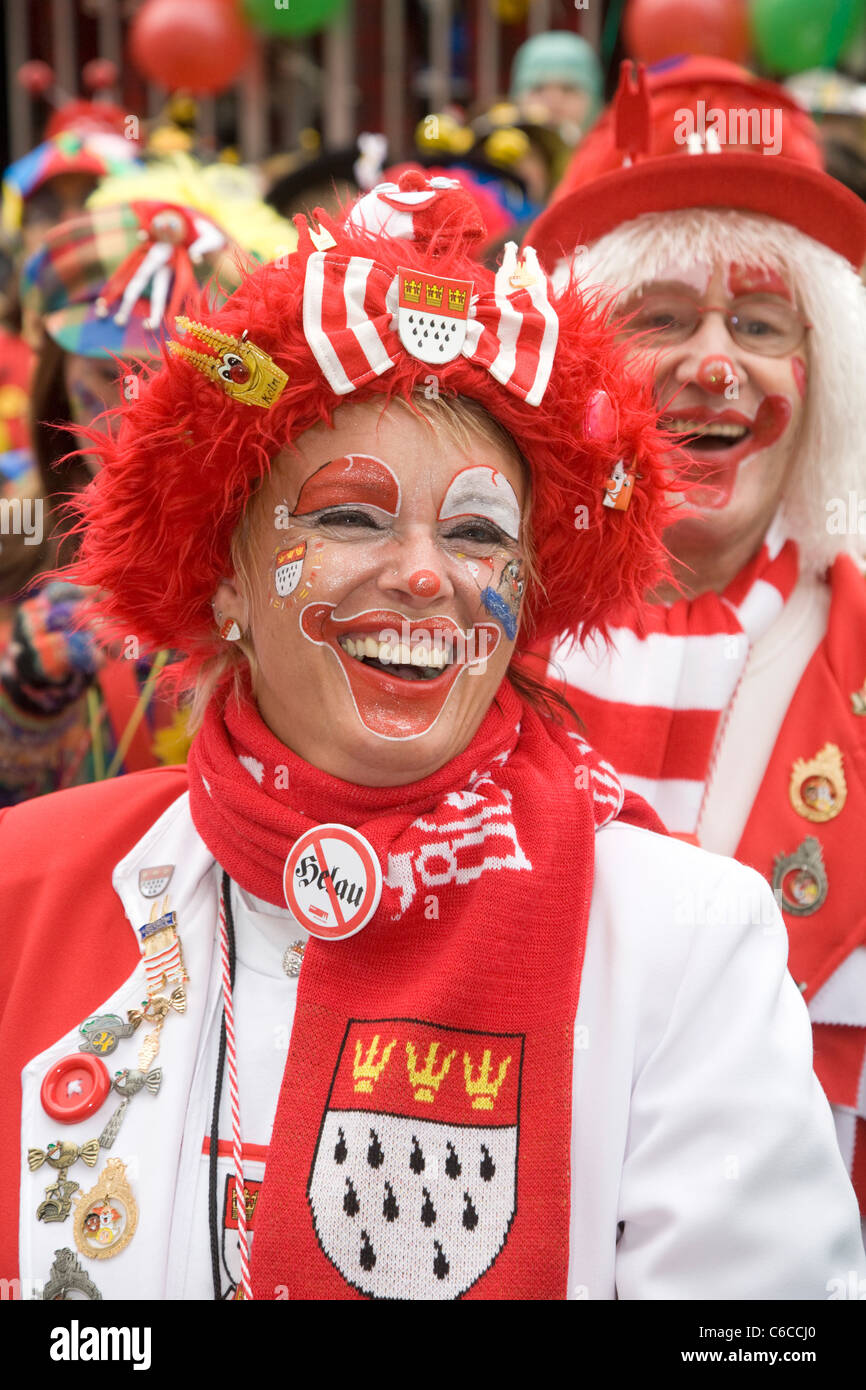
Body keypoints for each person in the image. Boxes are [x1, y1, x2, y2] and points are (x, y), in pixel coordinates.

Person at [0, 173, 862, 1301]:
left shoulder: (682, 937)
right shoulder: (32, 884)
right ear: (225, 585)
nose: (424, 575)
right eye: (352, 515)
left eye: (473, 530)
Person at [529, 57, 866, 1223]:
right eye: (658, 318)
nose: (712, 363)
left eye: (759, 322)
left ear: (817, 373)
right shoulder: (467, 642)